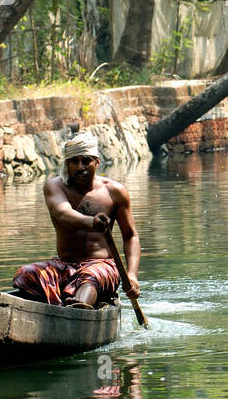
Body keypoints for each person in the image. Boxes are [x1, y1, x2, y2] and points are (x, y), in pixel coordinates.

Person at [12, 132, 141, 309]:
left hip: (101, 266)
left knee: (90, 278)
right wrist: (91, 222)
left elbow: (130, 236)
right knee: (26, 275)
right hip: (64, 265)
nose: (80, 167)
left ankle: (79, 307)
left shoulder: (115, 192)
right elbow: (63, 213)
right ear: (67, 164)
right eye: (74, 161)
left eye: (86, 160)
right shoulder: (55, 186)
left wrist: (132, 275)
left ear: (97, 162)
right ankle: (51, 306)